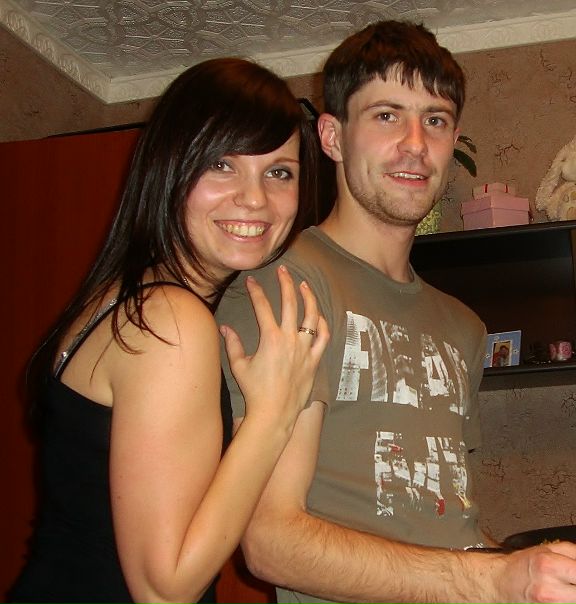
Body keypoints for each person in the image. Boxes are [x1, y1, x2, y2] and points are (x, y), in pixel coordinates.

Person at [217, 20, 576, 604]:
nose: (415, 143)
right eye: (386, 115)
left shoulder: (464, 328)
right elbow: (271, 541)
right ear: (332, 137)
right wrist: (493, 581)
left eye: (435, 120)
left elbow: (445, 532)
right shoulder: (288, 288)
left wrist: (532, 576)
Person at [8, 57, 329, 604]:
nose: (255, 198)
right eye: (222, 165)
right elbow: (165, 589)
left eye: (279, 172)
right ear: (171, 167)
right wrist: (274, 414)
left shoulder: (124, 297)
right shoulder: (170, 319)